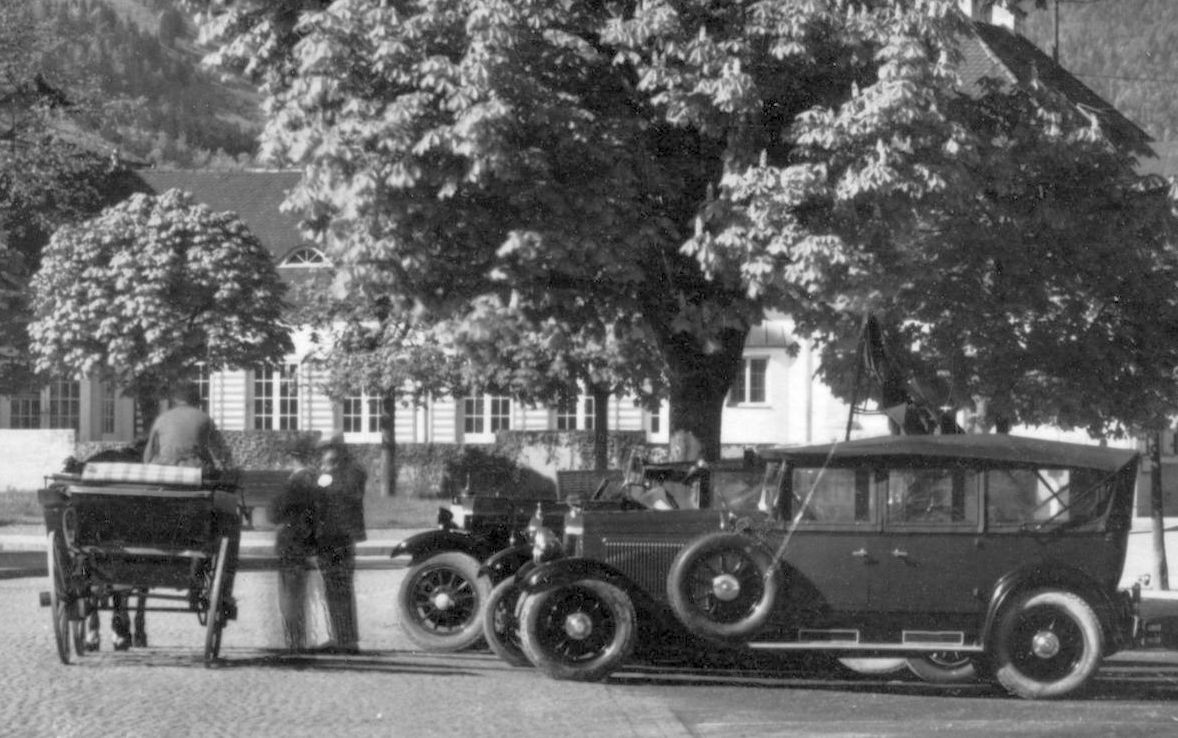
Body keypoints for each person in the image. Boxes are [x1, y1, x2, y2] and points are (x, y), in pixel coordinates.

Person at [312, 434, 367, 654]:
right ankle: (341, 637)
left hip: (338, 535)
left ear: (338, 450)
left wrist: (325, 476)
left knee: (339, 585)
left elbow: (338, 493)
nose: (324, 455)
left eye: (327, 449)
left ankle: (346, 640)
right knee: (334, 586)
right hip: (333, 534)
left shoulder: (347, 472)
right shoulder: (345, 470)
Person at [270, 465, 320, 652]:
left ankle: (293, 639)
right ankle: (298, 638)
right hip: (305, 547)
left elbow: (272, 515)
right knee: (298, 595)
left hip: (287, 546)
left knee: (288, 595)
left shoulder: (287, 492)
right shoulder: (314, 494)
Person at [142, 382, 232, 476]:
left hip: (165, 469)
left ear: (175, 400)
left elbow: (149, 453)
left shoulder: (161, 419)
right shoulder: (204, 418)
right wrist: (227, 468)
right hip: (194, 470)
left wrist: (147, 470)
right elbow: (219, 450)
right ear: (197, 400)